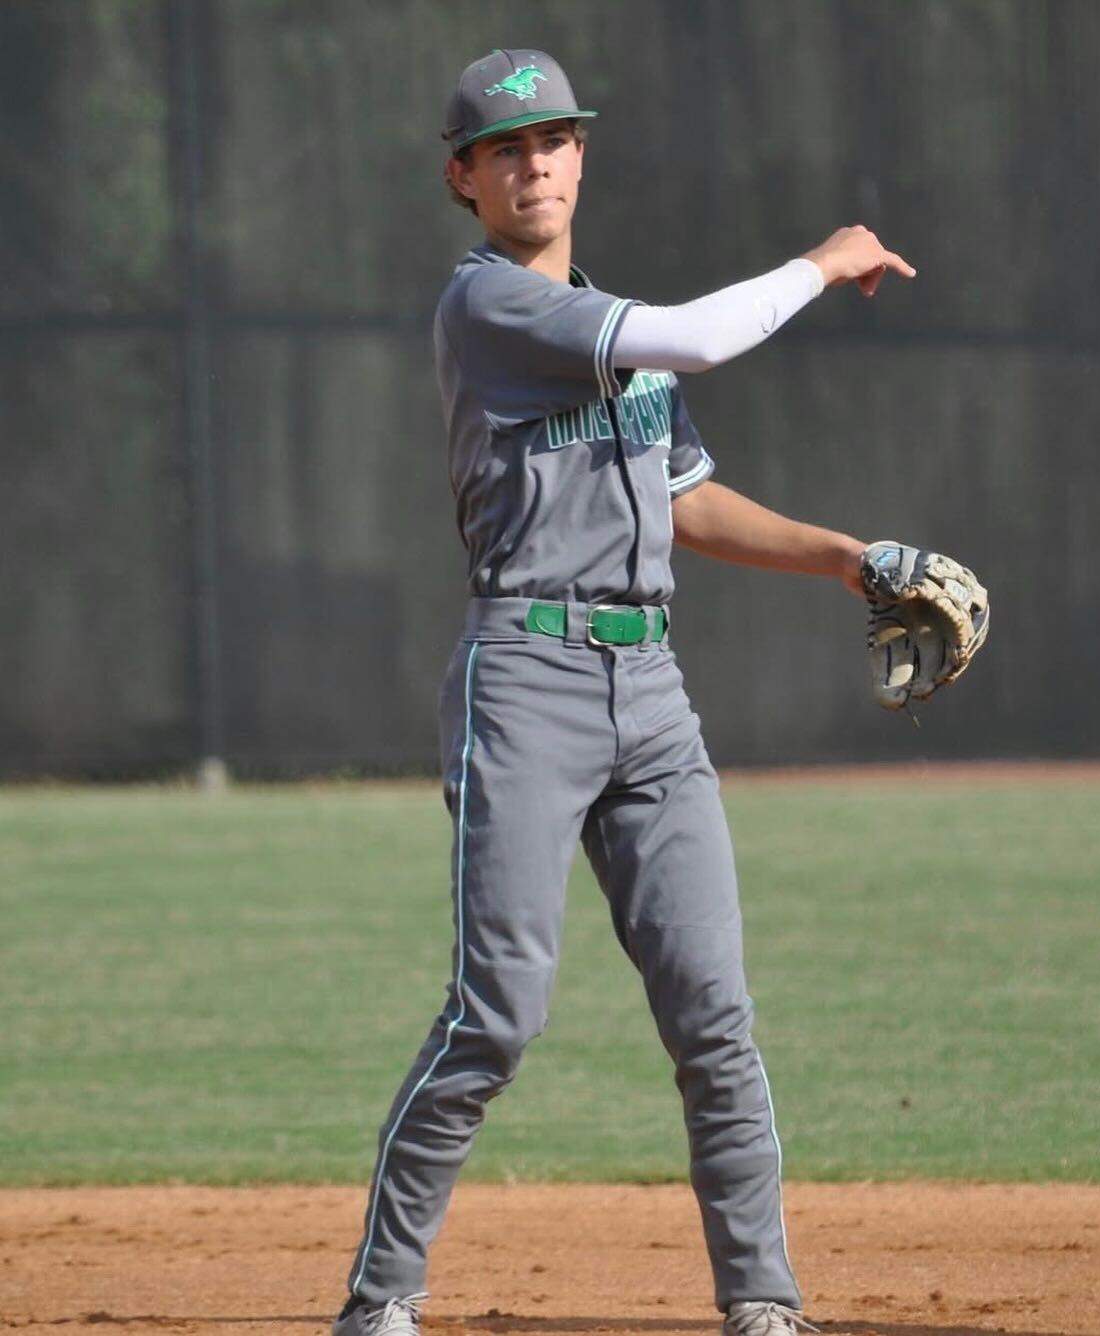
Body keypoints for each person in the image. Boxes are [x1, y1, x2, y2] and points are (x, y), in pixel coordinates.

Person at [331, 48, 915, 1336]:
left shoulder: (602, 318)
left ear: (582, 156)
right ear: (462, 179)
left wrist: (849, 557)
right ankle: (379, 1303)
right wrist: (822, 264)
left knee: (716, 1016)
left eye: (553, 139)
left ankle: (763, 1304)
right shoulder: (492, 306)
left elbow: (686, 499)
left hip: (650, 689)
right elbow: (701, 338)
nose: (532, 161)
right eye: (503, 147)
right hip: (526, 679)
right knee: (498, 1017)